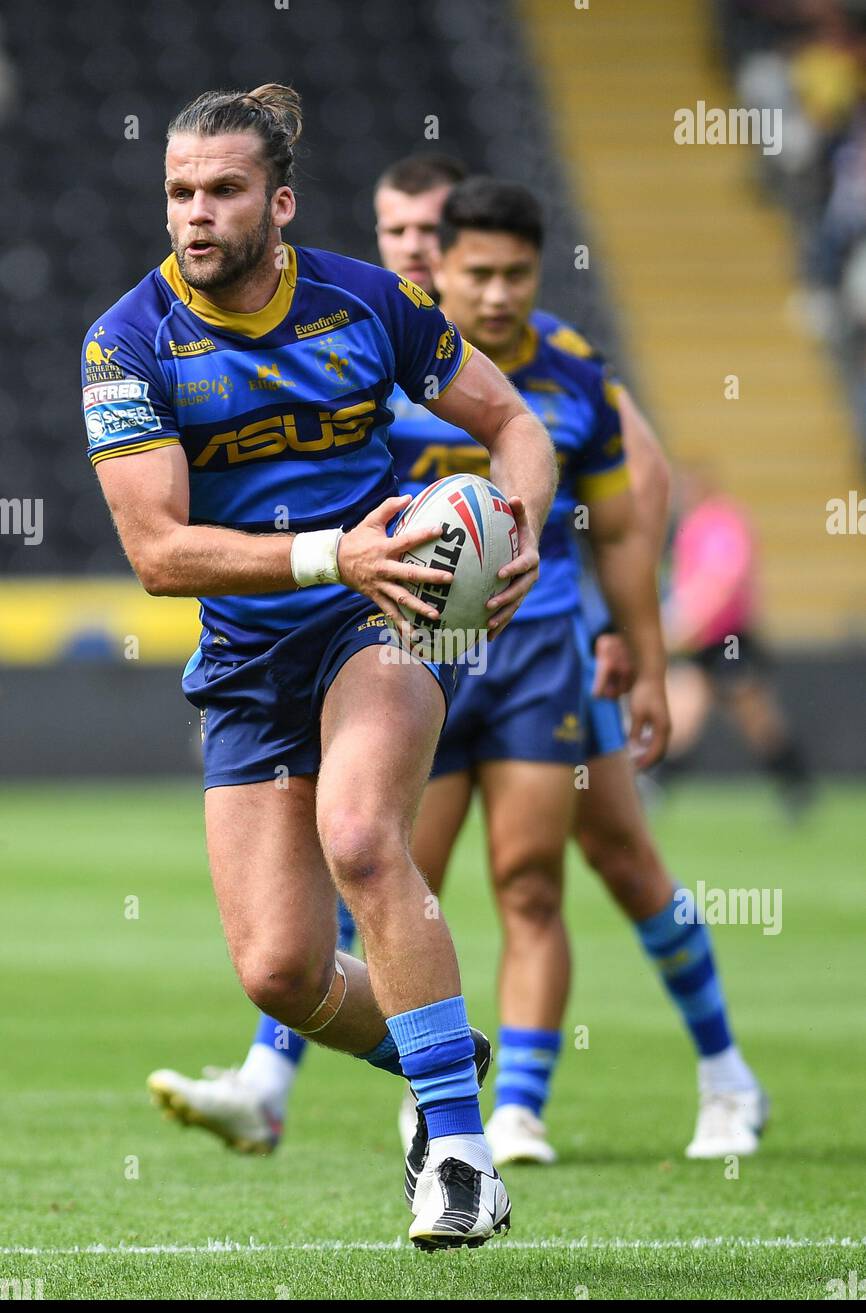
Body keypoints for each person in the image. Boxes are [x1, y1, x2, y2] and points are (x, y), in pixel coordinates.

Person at [151, 161, 767, 1168]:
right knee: (378, 861)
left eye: (441, 239)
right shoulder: (375, 346)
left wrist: (638, 645)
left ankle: (654, 1082)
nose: (430, 258)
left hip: (534, 646)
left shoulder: (562, 363)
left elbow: (633, 494)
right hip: (416, 634)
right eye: (400, 233)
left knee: (563, 869)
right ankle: (305, 1081)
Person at [82, 86, 561, 1250]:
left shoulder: (372, 302)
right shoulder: (128, 340)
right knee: (280, 974)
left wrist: (522, 531)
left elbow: (516, 428)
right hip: (249, 659)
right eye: (180, 193)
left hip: (381, 614)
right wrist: (322, 549)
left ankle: (458, 1153)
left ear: (279, 202)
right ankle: (441, 1049)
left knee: (359, 835)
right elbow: (157, 553)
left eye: (224, 190)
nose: (196, 214)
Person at [662, 465, 814, 818]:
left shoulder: (722, 522)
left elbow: (721, 581)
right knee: (683, 717)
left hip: (728, 638)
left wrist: (682, 621)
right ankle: (651, 791)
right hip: (700, 644)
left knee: (756, 719)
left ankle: (795, 786)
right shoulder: (691, 527)